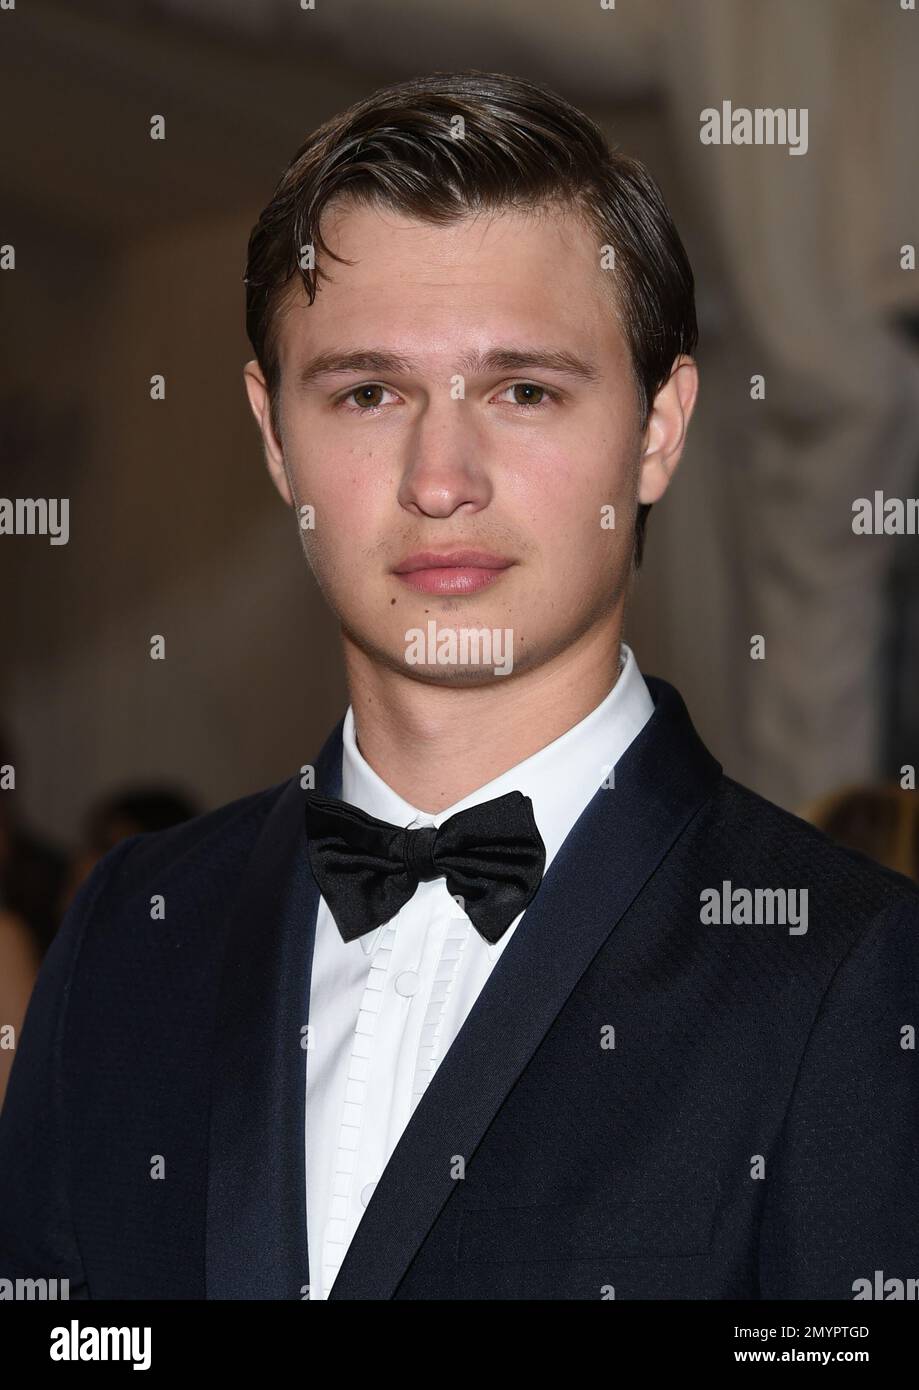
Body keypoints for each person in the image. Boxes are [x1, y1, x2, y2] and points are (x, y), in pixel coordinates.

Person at [1, 70, 917, 1302]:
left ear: (657, 428)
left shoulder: (846, 968)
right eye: (369, 392)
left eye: (523, 390)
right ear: (277, 437)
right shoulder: (128, 929)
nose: (441, 477)